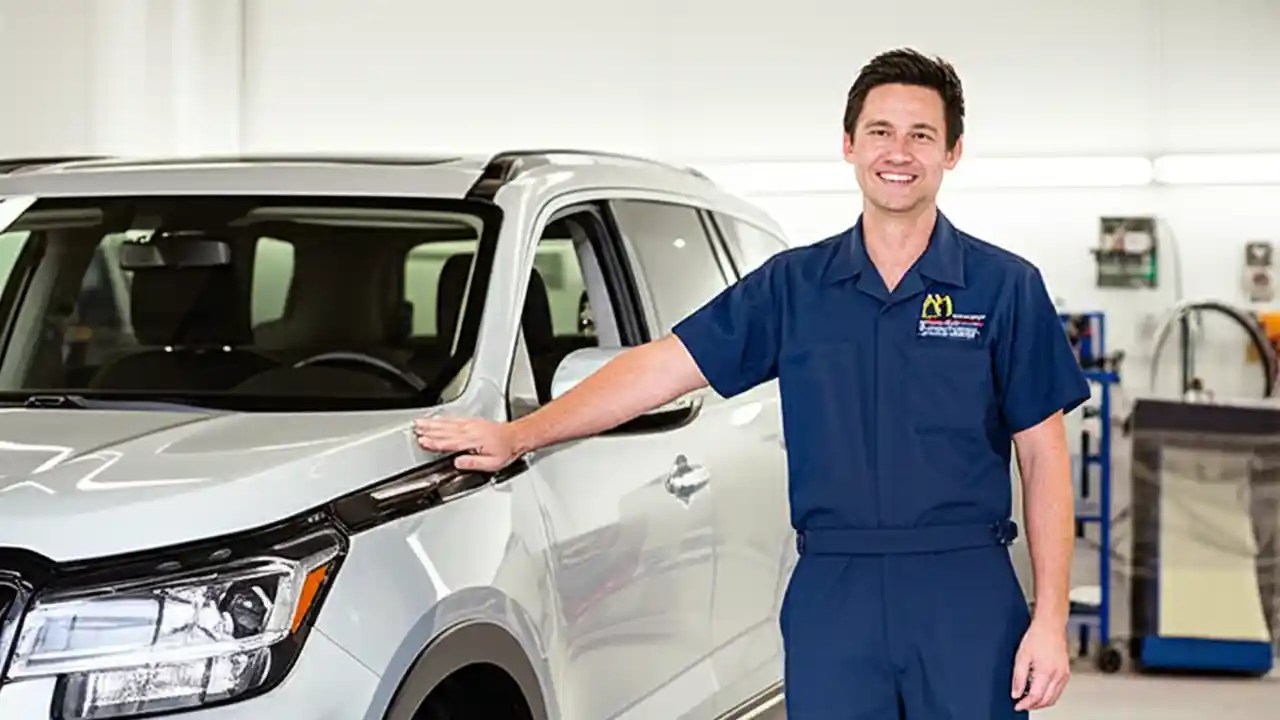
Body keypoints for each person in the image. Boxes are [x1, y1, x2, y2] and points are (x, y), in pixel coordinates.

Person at [415, 47, 1089, 719]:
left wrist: (1050, 620)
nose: (899, 152)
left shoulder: (1004, 288)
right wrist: (519, 435)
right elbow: (657, 369)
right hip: (835, 592)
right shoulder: (793, 287)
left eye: (922, 135)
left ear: (953, 152)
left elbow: (1043, 459)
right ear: (849, 144)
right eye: (881, 131)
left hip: (965, 589)